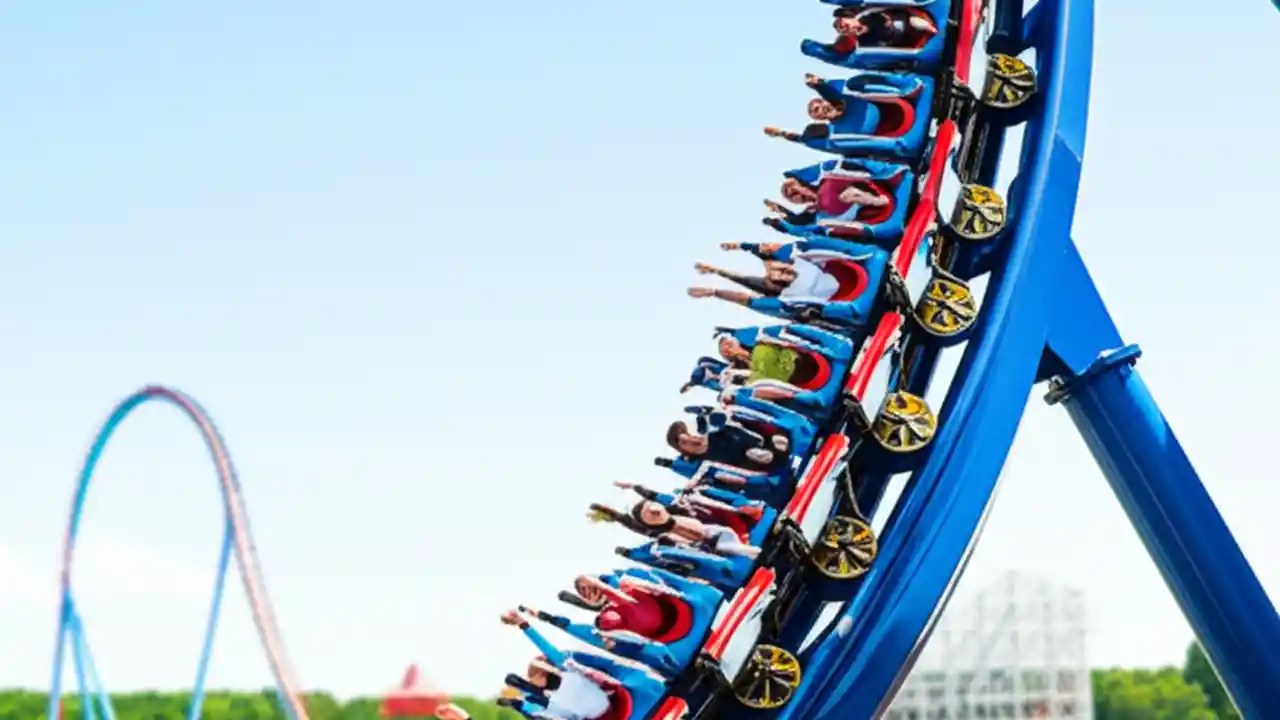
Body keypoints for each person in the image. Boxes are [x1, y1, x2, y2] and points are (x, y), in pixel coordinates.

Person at [688, 237, 892, 330]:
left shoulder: (800, 260)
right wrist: (714, 291)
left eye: (779, 269)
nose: (779, 274)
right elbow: (747, 297)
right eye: (774, 277)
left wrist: (739, 246)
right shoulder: (788, 297)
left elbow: (769, 250)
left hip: (860, 276)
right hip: (849, 304)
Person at [501, 611, 667, 720]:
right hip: (596, 717)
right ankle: (524, 692)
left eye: (534, 678)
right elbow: (548, 713)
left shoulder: (568, 668)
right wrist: (518, 704)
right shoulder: (551, 700)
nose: (533, 680)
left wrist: (523, 625)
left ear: (541, 673)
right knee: (545, 701)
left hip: (614, 705)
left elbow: (547, 648)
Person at [763, 72, 929, 158]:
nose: (821, 108)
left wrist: (818, 85)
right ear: (818, 119)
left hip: (904, 108)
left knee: (854, 84)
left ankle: (906, 87)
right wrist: (781, 133)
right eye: (816, 111)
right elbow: (805, 139)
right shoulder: (837, 132)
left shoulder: (847, 98)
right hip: (899, 134)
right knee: (838, 145)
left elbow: (832, 91)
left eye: (820, 103)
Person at [801, 7, 938, 68]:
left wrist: (872, 25)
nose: (845, 28)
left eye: (844, 24)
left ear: (850, 18)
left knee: (914, 22)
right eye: (842, 29)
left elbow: (886, 20)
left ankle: (933, 30)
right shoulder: (861, 42)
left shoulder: (867, 15)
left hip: (907, 22)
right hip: (907, 43)